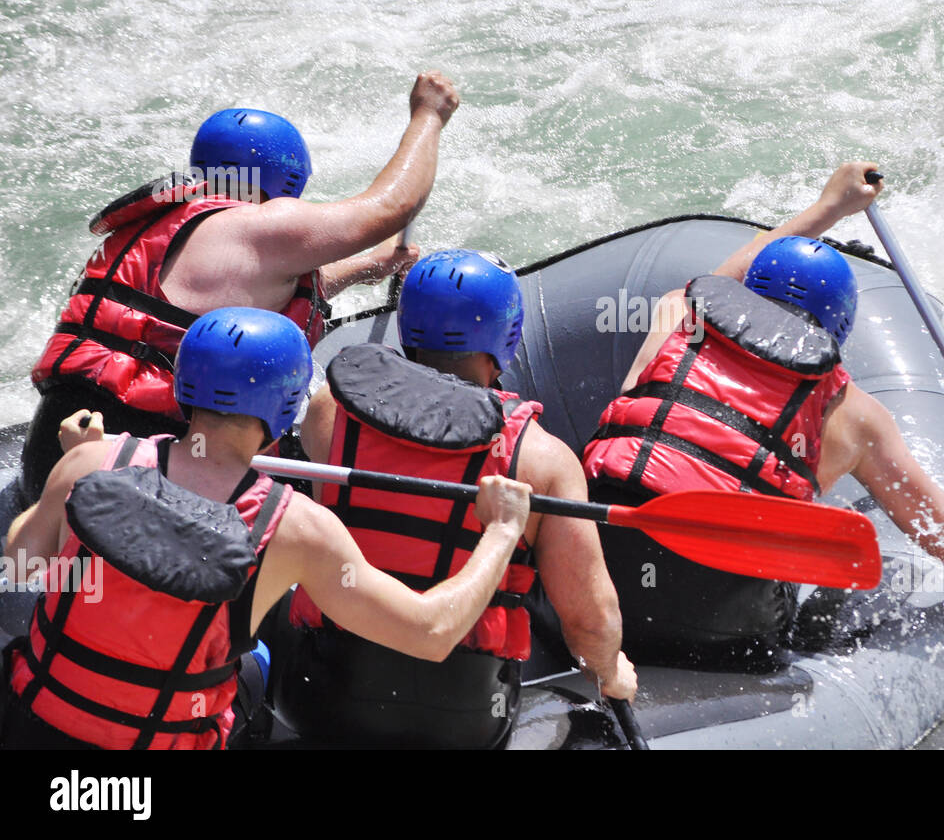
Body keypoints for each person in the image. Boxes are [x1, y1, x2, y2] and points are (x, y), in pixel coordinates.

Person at [583, 161, 944, 666]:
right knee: (833, 541)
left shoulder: (675, 317)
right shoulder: (856, 416)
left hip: (592, 584)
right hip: (722, 628)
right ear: (839, 325)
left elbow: (720, 279)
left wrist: (830, 208)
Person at [1, 307, 533, 750]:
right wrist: (503, 531)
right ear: (285, 405)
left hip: (30, 726)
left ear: (185, 383)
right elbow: (430, 633)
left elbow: (22, 560)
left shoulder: (93, 461)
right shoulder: (298, 529)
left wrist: (69, 465)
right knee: (255, 661)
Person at [20, 71, 461, 506]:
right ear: (286, 183)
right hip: (131, 467)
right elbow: (393, 205)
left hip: (59, 450)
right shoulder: (254, 225)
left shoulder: (178, 221)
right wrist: (428, 114)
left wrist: (367, 265)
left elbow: (237, 295)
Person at [275, 249, 636, 748]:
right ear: (506, 337)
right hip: (464, 719)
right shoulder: (543, 460)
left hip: (323, 700)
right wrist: (611, 673)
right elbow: (588, 623)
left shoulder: (328, 410)